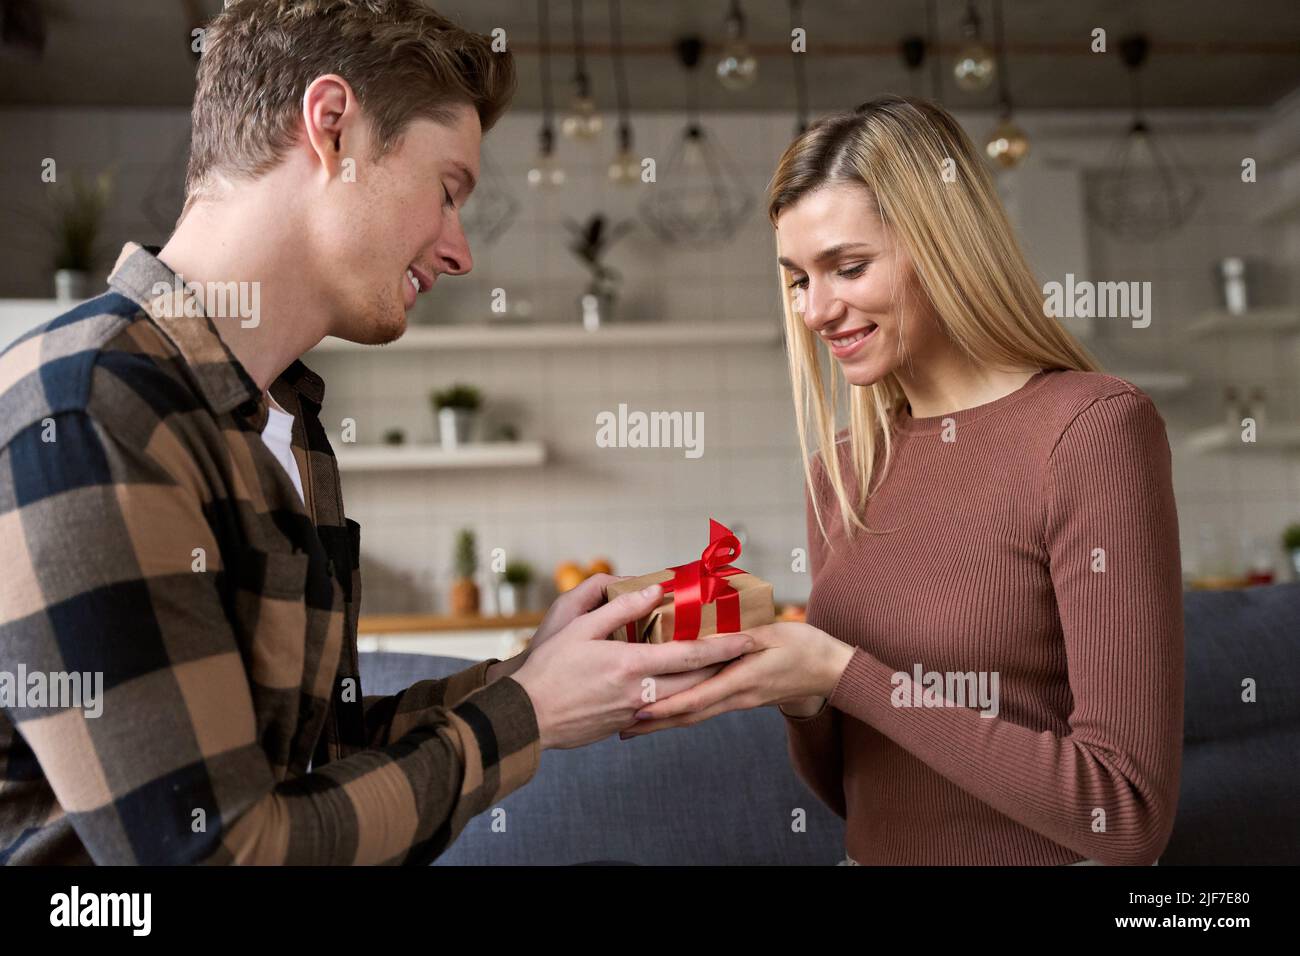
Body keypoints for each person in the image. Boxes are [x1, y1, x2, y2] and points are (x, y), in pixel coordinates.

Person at [0, 0, 750, 865]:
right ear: (333, 130)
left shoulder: (285, 424)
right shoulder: (93, 412)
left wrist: (537, 673)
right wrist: (529, 712)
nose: (461, 251)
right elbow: (224, 854)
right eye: (448, 190)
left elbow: (319, 758)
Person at [624, 96, 1184, 867]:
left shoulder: (1090, 430)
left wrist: (842, 671)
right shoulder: (842, 471)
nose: (816, 310)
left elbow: (1125, 817)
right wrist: (803, 698)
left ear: (947, 246)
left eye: (848, 268)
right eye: (796, 280)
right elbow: (860, 797)